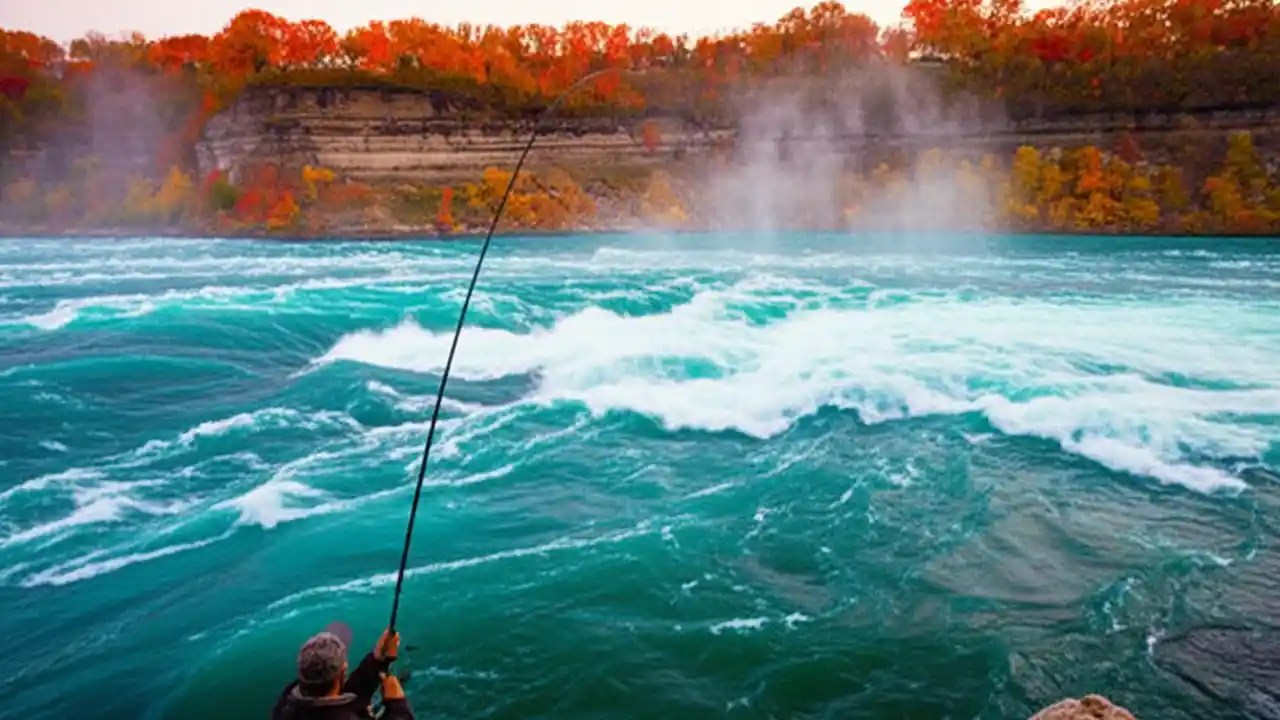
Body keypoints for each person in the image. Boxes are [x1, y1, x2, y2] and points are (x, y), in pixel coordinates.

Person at [271, 621, 415, 720]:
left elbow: (343, 697)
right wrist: (397, 705)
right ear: (342, 672)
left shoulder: (287, 706)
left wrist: (376, 661)